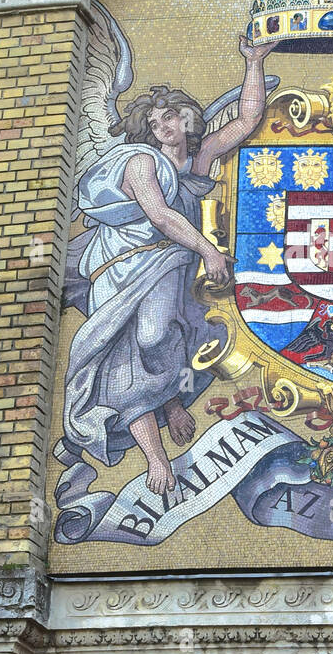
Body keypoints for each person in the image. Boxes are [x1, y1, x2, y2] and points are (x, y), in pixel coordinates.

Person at [60, 34, 274, 495]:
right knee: (123, 358)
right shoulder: (139, 162)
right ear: (145, 130)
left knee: (157, 336)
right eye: (154, 122)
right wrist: (209, 251)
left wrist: (254, 61)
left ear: (185, 117)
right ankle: (158, 457)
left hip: (167, 260)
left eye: (170, 116)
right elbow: (160, 215)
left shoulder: (199, 156)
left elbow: (248, 119)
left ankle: (171, 396)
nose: (163, 127)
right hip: (118, 266)